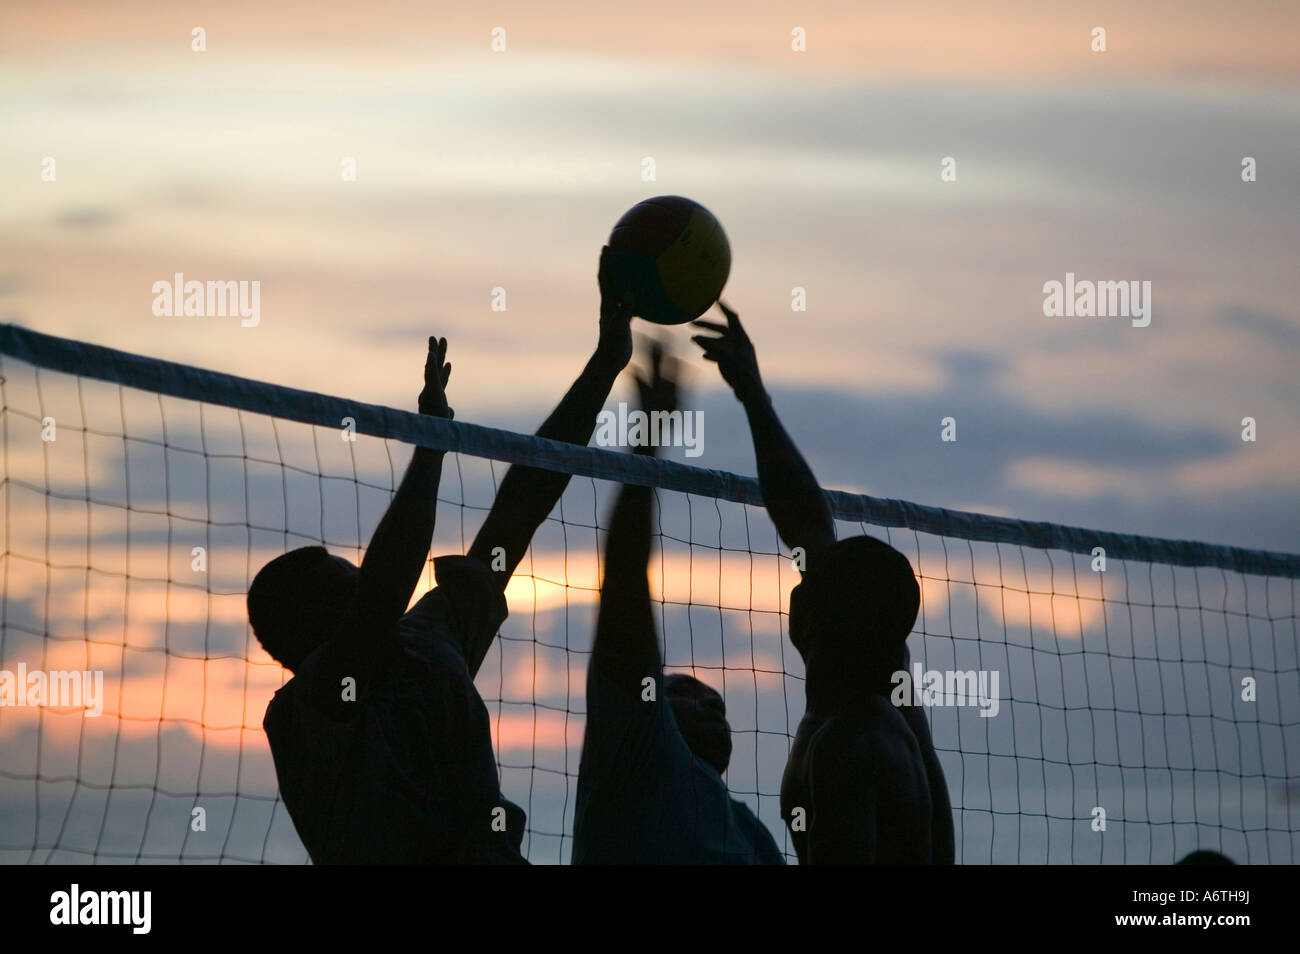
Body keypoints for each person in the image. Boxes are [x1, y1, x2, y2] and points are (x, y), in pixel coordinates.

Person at [250, 250, 636, 863]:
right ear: (308, 630)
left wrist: (605, 365)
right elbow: (382, 591)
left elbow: (520, 508)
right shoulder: (307, 716)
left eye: (353, 573)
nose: (359, 580)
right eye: (342, 586)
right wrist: (430, 445)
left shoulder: (429, 640)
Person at [692, 301, 954, 864]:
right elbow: (809, 525)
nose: (800, 575)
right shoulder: (887, 685)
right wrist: (752, 396)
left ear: (810, 619)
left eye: (807, 580)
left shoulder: (846, 743)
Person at [572, 343, 785, 865]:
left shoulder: (752, 834)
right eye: (686, 693)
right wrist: (646, 446)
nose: (712, 703)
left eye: (714, 702)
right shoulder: (638, 749)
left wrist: (756, 397)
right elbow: (624, 581)